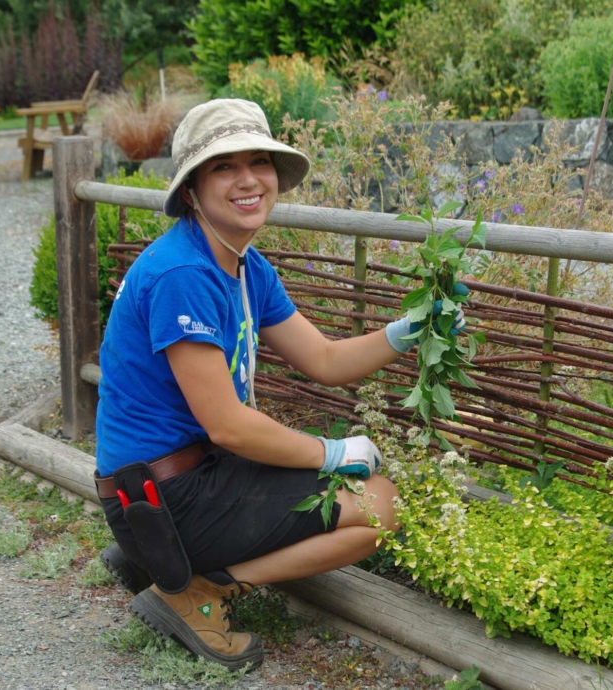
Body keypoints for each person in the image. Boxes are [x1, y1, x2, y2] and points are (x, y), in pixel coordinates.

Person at [93, 98, 465, 671]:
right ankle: (199, 592)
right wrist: (333, 452)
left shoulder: (241, 262)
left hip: (181, 477)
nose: (248, 180)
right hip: (164, 494)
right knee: (379, 506)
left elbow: (323, 359)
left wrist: (407, 331)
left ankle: (159, 559)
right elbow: (230, 426)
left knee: (327, 476)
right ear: (192, 188)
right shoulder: (184, 275)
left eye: (258, 162)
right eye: (223, 166)